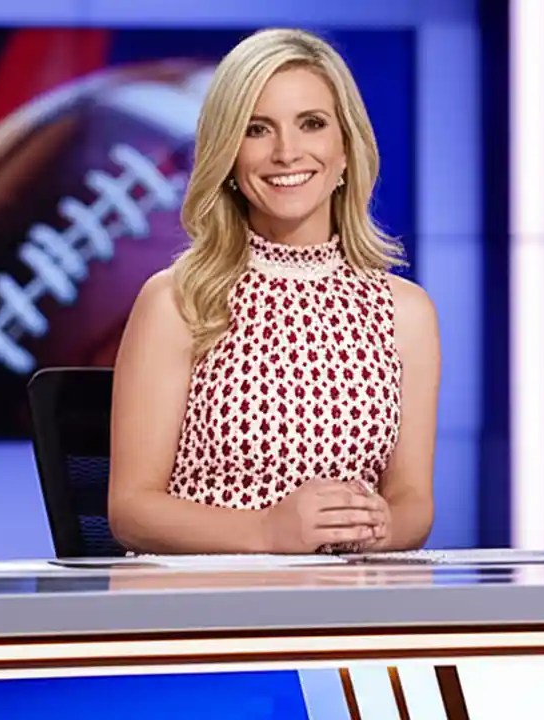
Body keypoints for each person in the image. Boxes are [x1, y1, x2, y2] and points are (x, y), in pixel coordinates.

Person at [106, 28, 440, 554]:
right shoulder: (177, 301)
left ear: (347, 148)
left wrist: (382, 528)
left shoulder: (405, 312)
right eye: (258, 129)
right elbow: (131, 510)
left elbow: (413, 500)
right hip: (210, 611)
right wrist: (266, 533)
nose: (288, 152)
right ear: (229, 156)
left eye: (311, 124)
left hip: (352, 610)